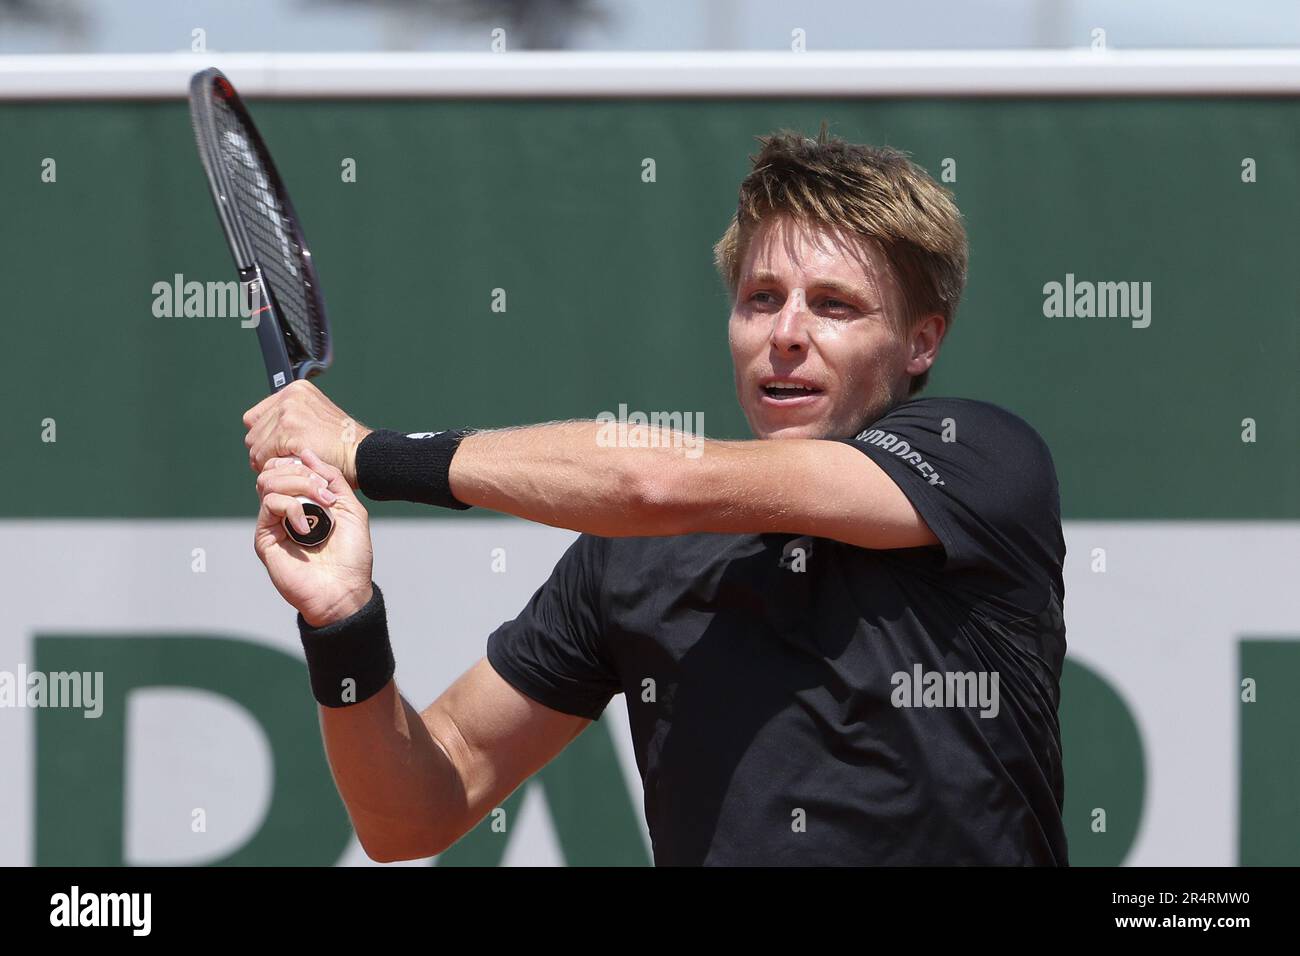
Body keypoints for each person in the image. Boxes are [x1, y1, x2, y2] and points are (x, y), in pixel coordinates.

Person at [244, 129, 1068, 865]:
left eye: (834, 306)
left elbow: (654, 480)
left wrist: (364, 453)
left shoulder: (981, 459)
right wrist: (342, 622)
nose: (785, 332)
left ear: (922, 340)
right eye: (761, 299)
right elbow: (412, 816)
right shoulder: (628, 559)